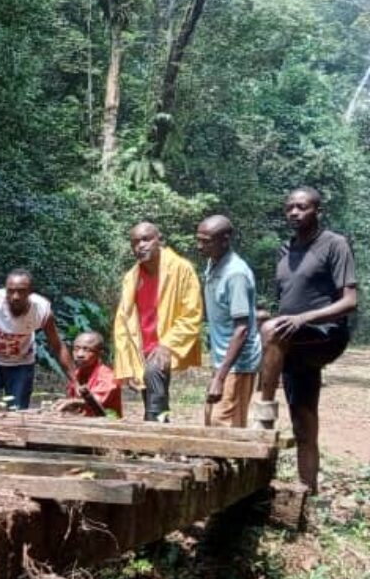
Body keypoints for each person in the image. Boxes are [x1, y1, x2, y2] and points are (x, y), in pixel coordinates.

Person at [255, 187, 357, 492]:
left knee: (271, 330)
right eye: (289, 208)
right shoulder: (285, 251)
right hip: (293, 343)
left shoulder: (334, 244)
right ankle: (307, 488)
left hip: (326, 335)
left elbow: (350, 301)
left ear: (318, 211)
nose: (294, 213)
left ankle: (263, 413)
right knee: (303, 419)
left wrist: (303, 319)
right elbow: (289, 301)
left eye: (302, 207)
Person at [112, 221, 202, 421]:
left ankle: (154, 428)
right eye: (135, 242)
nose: (140, 246)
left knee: (154, 374)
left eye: (146, 239)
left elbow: (192, 313)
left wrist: (167, 345)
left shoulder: (181, 269)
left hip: (166, 342)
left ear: (159, 240)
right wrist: (127, 363)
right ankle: (160, 428)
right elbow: (123, 322)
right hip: (141, 343)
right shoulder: (131, 277)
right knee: (149, 387)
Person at [0, 270, 75, 411]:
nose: (15, 296)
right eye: (10, 291)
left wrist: (75, 380)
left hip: (22, 363)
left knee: (17, 412)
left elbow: (57, 346)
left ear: (30, 292)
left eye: (21, 291)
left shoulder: (41, 309)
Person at [195, 215, 262, 428]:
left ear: (225, 240)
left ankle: (239, 462)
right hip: (222, 359)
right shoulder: (212, 263)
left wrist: (220, 378)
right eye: (199, 240)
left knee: (223, 425)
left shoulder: (236, 275)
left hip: (238, 363)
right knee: (212, 421)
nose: (200, 246)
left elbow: (242, 328)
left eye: (207, 241)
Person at [53, 331, 123, 417]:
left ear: (99, 353)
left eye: (87, 350)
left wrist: (71, 402)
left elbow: (97, 402)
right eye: (76, 349)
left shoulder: (108, 377)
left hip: (107, 424)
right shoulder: (76, 374)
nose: (80, 354)